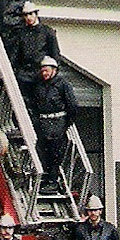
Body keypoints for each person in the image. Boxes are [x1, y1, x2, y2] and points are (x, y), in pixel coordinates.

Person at [29, 56, 79, 192]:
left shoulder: (63, 84)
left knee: (55, 153)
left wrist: (66, 123)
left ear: (54, 70)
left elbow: (72, 105)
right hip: (43, 123)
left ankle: (53, 181)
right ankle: (44, 180)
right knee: (42, 151)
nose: (44, 73)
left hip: (57, 123)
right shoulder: (38, 85)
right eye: (42, 71)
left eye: (46, 70)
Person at [13, 2, 61, 97]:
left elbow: (55, 54)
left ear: (36, 14)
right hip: (24, 74)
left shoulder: (47, 32)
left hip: (41, 75)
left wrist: (52, 73)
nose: (28, 17)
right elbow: (16, 54)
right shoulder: (21, 33)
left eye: (31, 14)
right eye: (25, 15)